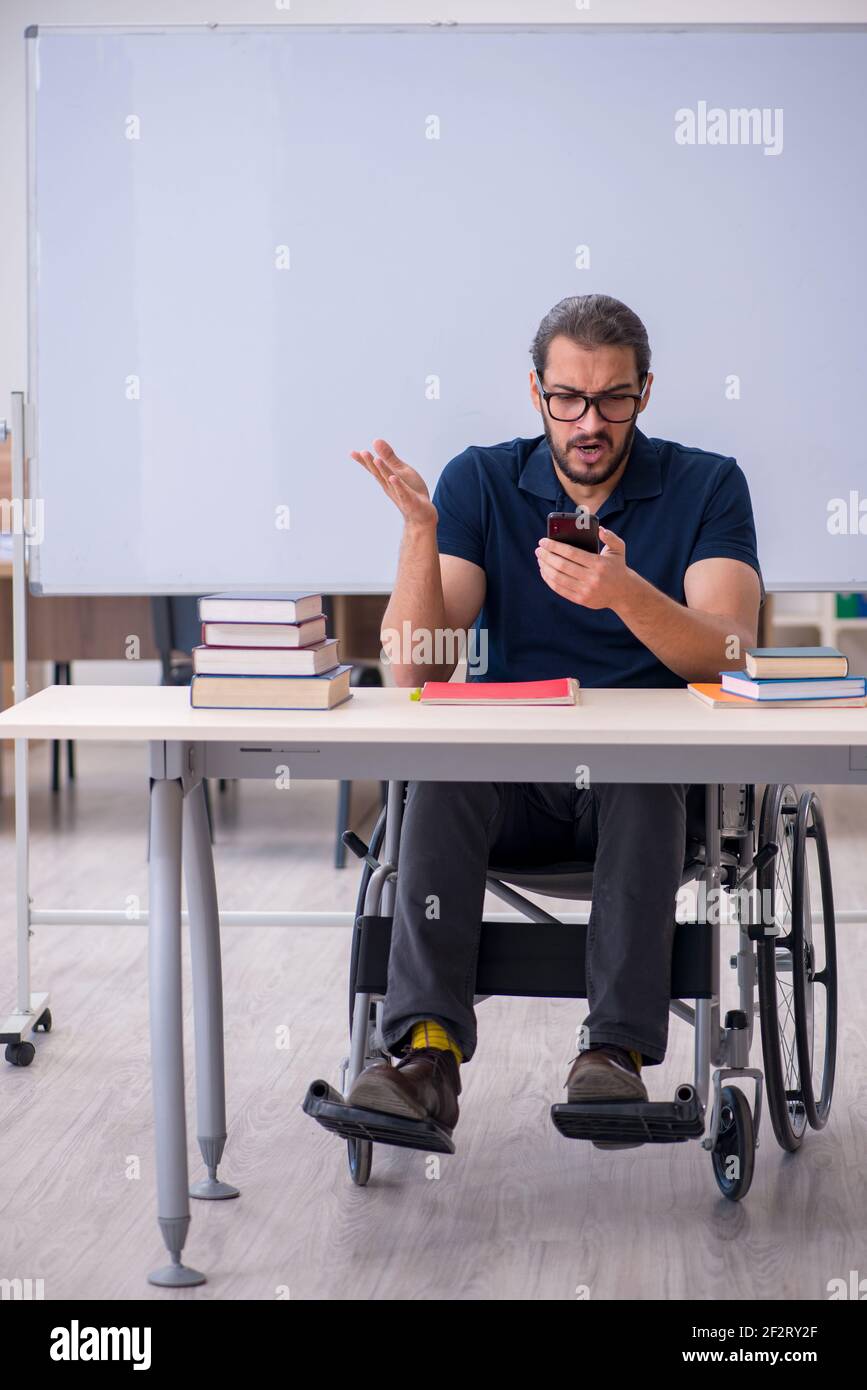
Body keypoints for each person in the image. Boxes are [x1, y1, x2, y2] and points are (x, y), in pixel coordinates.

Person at [347, 293, 762, 1149]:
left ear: (644, 392)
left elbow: (727, 652)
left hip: (646, 794)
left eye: (612, 398)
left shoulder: (706, 483)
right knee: (438, 778)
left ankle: (612, 1053)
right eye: (567, 398)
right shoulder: (481, 479)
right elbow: (416, 666)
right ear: (536, 392)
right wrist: (420, 534)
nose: (589, 421)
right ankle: (424, 1062)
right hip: (514, 789)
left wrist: (624, 594)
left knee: (641, 774)